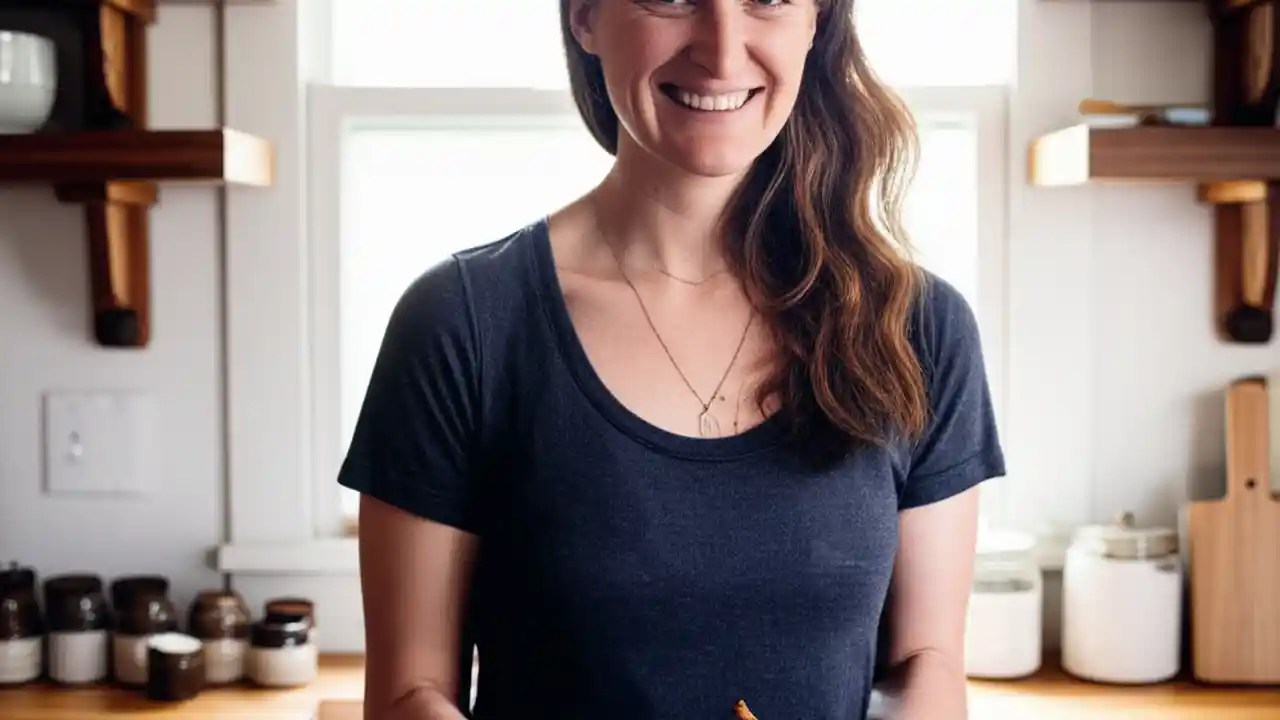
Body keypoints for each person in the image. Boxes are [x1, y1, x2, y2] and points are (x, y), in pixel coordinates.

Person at [340, 1, 1006, 718]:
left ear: (816, 21)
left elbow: (925, 660)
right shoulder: (461, 324)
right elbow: (409, 693)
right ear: (585, 16)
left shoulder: (920, 328)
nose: (721, 52)